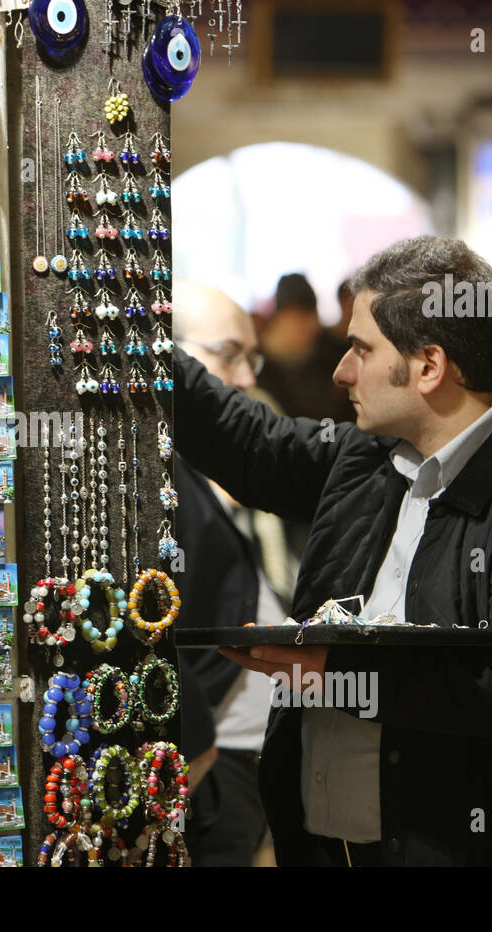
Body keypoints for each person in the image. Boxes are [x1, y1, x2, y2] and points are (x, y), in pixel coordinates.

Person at [174, 235, 492, 866]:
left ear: (429, 367)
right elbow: (252, 443)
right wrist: (136, 327)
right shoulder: (374, 456)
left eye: (361, 349)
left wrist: (332, 674)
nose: (341, 370)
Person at [172, 280, 290, 867]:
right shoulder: (159, 478)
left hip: (246, 764)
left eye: (252, 357)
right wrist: (198, 747)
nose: (245, 377)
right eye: (227, 353)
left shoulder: (213, 470)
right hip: (212, 768)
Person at [256, 273, 355, 424]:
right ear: (279, 318)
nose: (310, 325)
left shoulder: (327, 357)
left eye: (312, 315)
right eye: (299, 316)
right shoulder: (256, 366)